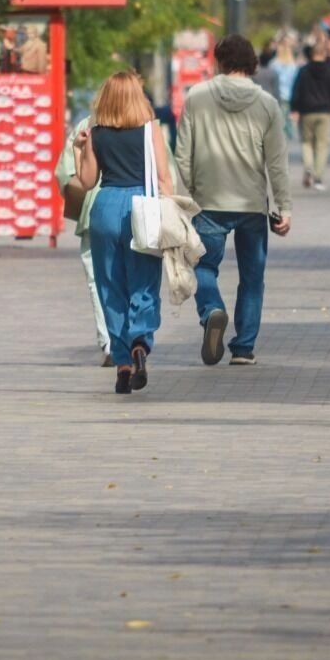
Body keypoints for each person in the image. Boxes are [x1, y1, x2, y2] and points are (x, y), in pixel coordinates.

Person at [177, 35, 292, 367]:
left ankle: (212, 309)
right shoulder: (267, 104)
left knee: (203, 266)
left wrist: (193, 191)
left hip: (209, 201)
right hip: (251, 204)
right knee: (252, 277)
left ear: (220, 62)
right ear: (252, 63)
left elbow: (182, 154)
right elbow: (276, 162)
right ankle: (243, 347)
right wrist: (284, 207)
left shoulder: (196, 97)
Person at [71, 71, 173, 394]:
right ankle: (139, 342)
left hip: (105, 207)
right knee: (144, 282)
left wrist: (78, 148)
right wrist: (171, 213)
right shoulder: (150, 129)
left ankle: (122, 365)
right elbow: (163, 176)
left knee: (110, 285)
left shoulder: (96, 133)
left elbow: (87, 181)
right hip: (141, 206)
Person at [55, 112, 112, 367]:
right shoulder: (145, 123)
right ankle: (134, 338)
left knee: (96, 279)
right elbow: (166, 172)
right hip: (136, 211)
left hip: (94, 212)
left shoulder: (88, 125)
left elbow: (64, 174)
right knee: (133, 276)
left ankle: (109, 342)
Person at [289, 40, 330, 190]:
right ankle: (318, 177)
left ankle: (308, 167)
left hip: (307, 111)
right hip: (324, 111)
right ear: (324, 53)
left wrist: (294, 109)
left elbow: (296, 90)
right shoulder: (329, 71)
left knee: (306, 143)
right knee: (322, 145)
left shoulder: (303, 71)